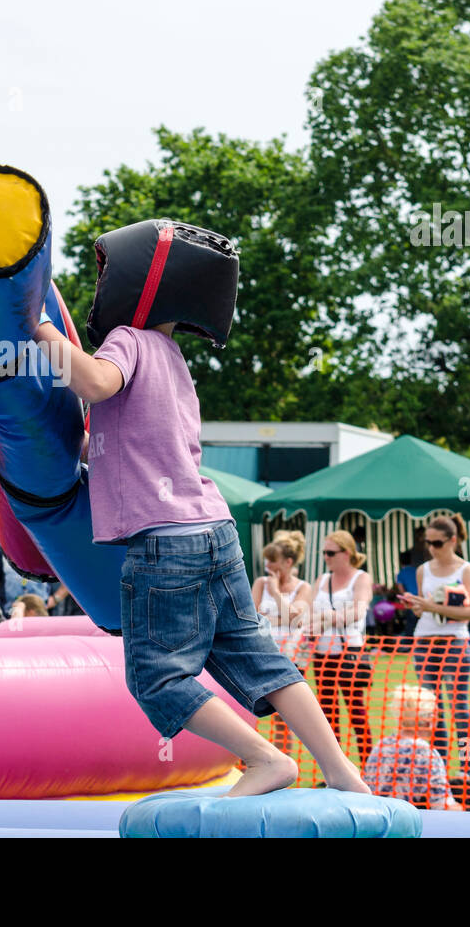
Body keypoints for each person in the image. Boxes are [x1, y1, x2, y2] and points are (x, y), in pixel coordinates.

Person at [35, 316, 368, 798]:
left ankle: (264, 758)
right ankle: (341, 771)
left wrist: (41, 328)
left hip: (165, 541)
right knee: (258, 658)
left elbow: (95, 380)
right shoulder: (173, 357)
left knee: (157, 678)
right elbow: (126, 448)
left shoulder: (127, 339)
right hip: (215, 529)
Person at [399, 513, 470, 781]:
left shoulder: (465, 569)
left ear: (452, 540)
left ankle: (466, 768)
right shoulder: (423, 569)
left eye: (437, 543)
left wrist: (432, 606)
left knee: (460, 708)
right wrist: (416, 605)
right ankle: (440, 766)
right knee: (432, 709)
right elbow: (424, 613)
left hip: (455, 642)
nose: (432, 548)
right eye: (428, 543)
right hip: (424, 642)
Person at [307, 530, 375, 762]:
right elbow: (309, 616)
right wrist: (325, 619)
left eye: (330, 552)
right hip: (322, 654)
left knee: (356, 711)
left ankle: (368, 765)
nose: (326, 557)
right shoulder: (322, 580)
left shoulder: (361, 578)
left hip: (349, 653)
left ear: (346, 553)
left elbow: (358, 611)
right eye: (324, 552)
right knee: (328, 714)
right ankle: (336, 769)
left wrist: (325, 618)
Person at [251, 536, 312, 753]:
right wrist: (281, 617)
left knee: (284, 718)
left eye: (273, 560)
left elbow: (295, 618)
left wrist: (276, 594)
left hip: (290, 658)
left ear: (288, 562)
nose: (268, 566)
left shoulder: (304, 587)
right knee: (251, 712)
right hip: (260, 655)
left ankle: (284, 764)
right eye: (266, 561)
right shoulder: (260, 583)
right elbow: (252, 617)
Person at [363, 685, 459, 810]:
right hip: (406, 825)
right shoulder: (427, 754)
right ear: (427, 720)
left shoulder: (381, 746)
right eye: (437, 715)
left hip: (373, 821)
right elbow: (442, 806)